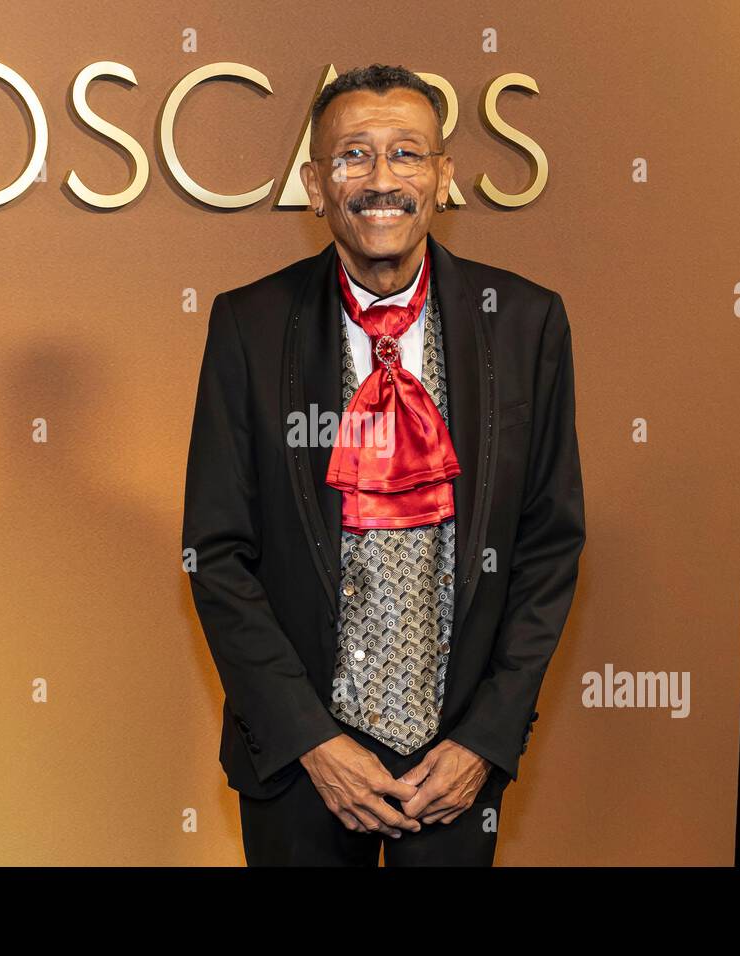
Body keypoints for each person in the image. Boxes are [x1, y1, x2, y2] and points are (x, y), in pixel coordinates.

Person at [182, 63, 585, 865]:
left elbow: (548, 546)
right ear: (315, 184)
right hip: (301, 767)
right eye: (352, 156)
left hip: (454, 764)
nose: (381, 179)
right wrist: (312, 741)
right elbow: (218, 556)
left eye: (407, 154)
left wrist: (486, 738)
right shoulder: (248, 326)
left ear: (443, 178)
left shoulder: (526, 323)